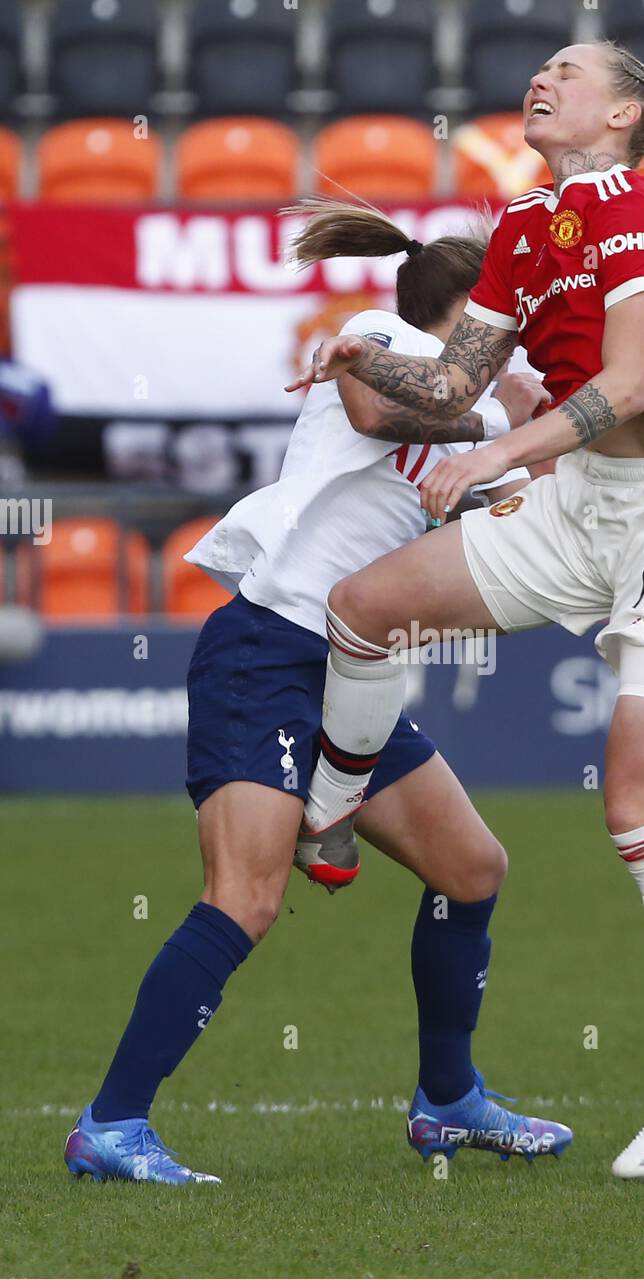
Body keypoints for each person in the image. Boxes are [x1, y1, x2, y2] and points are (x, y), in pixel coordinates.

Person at [284, 41, 644, 1181]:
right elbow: (452, 385)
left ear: (627, 112)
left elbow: (628, 387)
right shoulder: (520, 226)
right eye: (538, 66)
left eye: (568, 68)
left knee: (639, 803)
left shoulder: (633, 205)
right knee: (363, 606)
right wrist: (357, 356)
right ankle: (336, 808)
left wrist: (497, 449)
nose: (540, 79)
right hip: (577, 498)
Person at [63, 203, 571, 1185]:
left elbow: (526, 498)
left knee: (471, 868)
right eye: (504, 315)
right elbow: (380, 413)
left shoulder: (473, 408)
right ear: (461, 315)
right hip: (265, 654)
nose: (514, 329)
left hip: (353, 668)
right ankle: (113, 1124)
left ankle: (447, 1099)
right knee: (244, 899)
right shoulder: (383, 341)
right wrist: (508, 417)